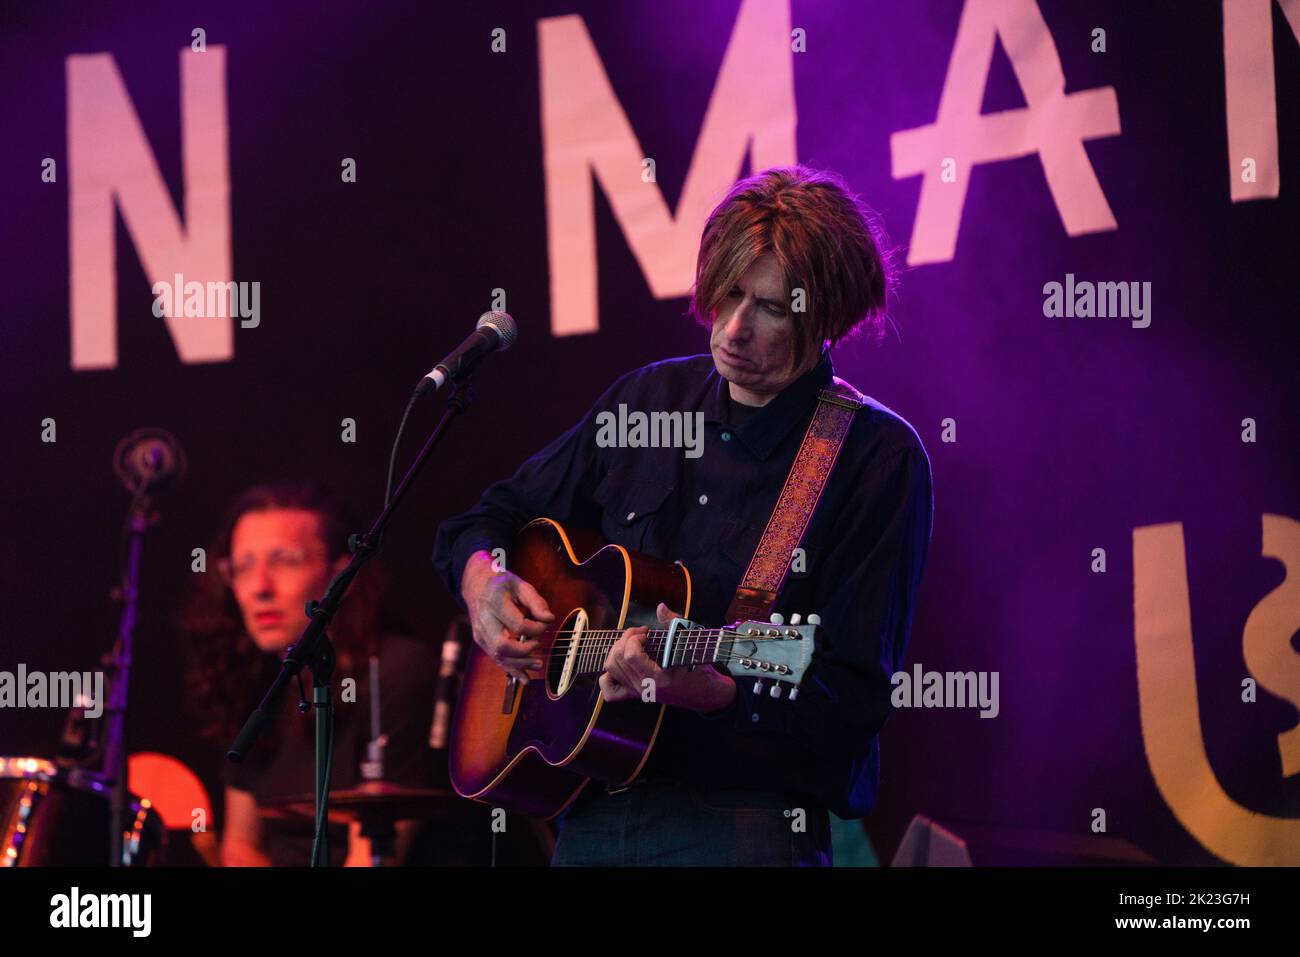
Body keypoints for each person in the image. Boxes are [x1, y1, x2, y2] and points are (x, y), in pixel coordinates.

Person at [433, 165, 934, 866]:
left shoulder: (873, 456)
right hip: (591, 810)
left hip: (743, 826)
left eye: (770, 308)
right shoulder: (646, 400)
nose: (734, 328)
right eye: (728, 293)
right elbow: (490, 517)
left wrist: (718, 694)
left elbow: (851, 701)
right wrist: (483, 582)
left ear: (828, 319)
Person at [183, 483, 445, 866]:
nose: (260, 587)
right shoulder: (253, 680)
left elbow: (373, 856)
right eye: (243, 566)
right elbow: (240, 845)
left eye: (285, 561)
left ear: (342, 575)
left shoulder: (396, 673)